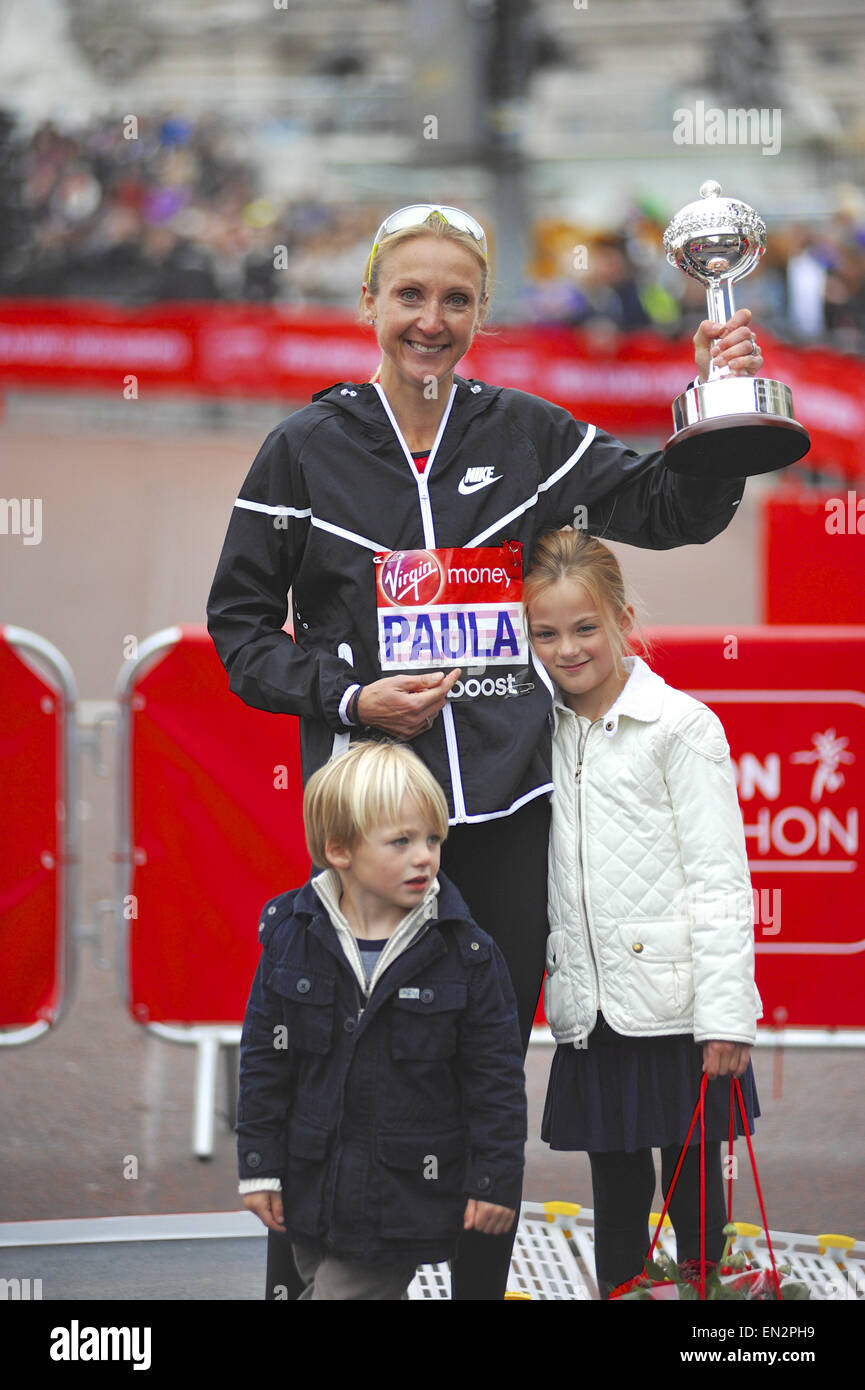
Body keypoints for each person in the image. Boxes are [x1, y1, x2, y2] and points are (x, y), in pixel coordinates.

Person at [206, 202, 766, 1299]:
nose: (430, 318)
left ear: (480, 312)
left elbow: (668, 510)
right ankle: (306, 1285)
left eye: (455, 298)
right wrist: (352, 692)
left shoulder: (527, 435)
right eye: (408, 294)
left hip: (510, 820)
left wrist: (717, 411)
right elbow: (238, 631)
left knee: (483, 1081)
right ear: (368, 303)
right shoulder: (303, 450)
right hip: (371, 825)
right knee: (336, 1066)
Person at [522, 527, 761, 1298]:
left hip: (678, 1010)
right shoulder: (536, 727)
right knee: (616, 1199)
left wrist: (725, 1016)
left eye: (585, 627)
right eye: (545, 633)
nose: (567, 649)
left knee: (693, 1198)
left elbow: (720, 878)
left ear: (624, 619)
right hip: (593, 1011)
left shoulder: (682, 728)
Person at [237, 740, 526, 1300]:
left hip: (396, 1205)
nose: (425, 856)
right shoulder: (291, 935)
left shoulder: (466, 954)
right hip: (310, 1191)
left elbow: (495, 1083)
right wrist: (259, 1165)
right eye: (401, 842)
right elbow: (264, 1061)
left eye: (433, 839)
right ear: (339, 851)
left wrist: (493, 1182)